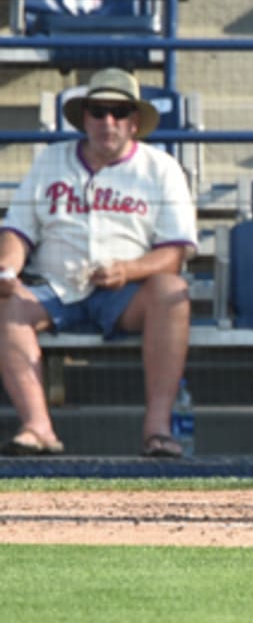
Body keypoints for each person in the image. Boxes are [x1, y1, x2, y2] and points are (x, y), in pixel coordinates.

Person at [0, 68, 197, 458]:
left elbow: (174, 252)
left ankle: (158, 429)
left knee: (172, 291)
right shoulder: (51, 160)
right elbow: (17, 230)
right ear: (84, 118)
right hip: (53, 286)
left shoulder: (161, 168)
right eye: (98, 111)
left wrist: (128, 270)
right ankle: (38, 427)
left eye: (119, 112)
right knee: (5, 301)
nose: (108, 121)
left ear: (134, 121)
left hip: (127, 292)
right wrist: (6, 268)